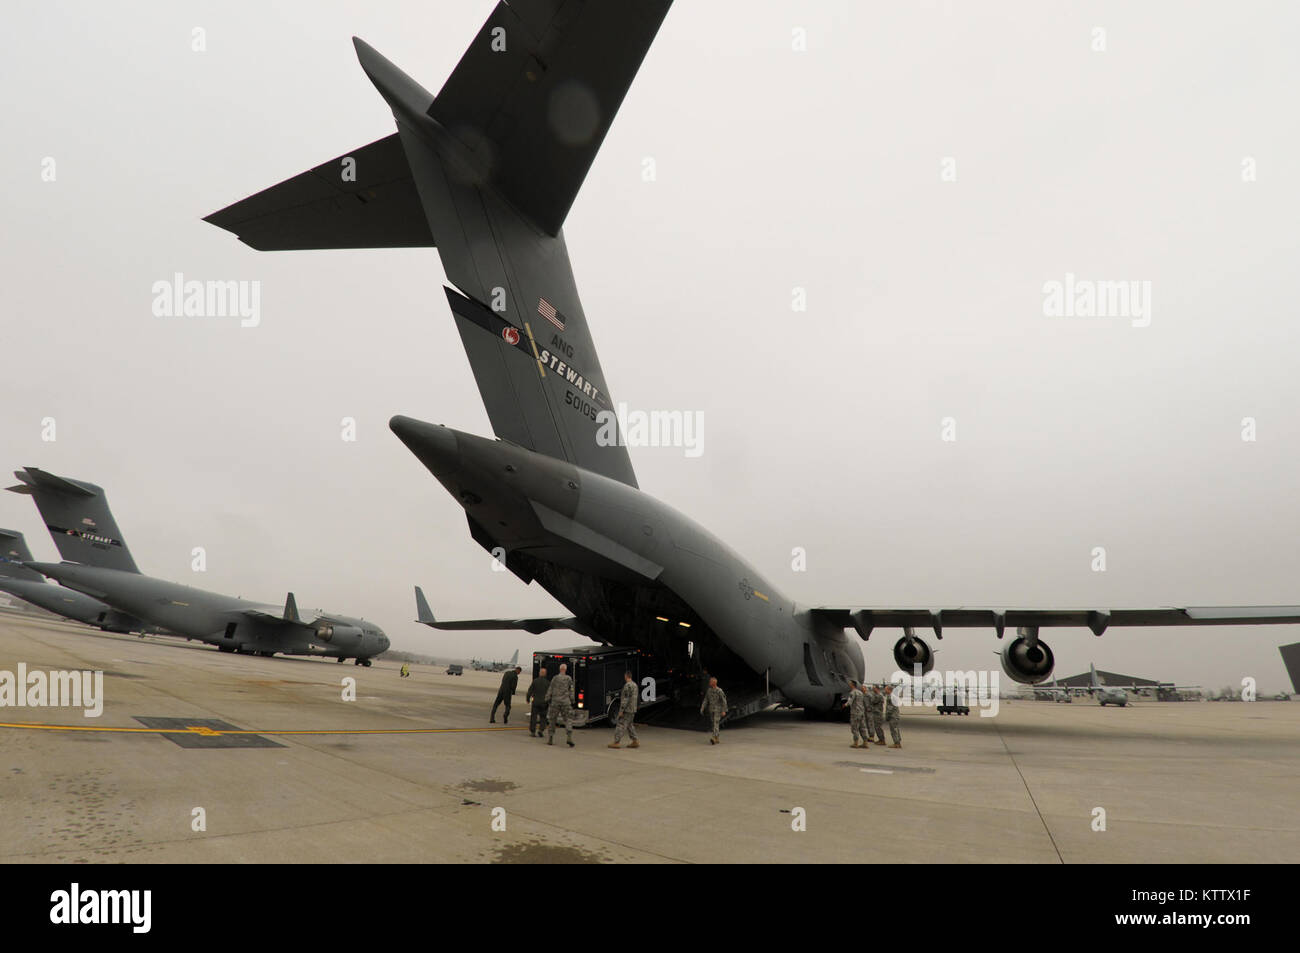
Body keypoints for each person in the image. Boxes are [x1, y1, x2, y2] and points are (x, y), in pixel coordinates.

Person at [546, 663, 576, 747]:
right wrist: (572, 700)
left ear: (559, 669)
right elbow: (571, 691)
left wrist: (547, 698)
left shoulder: (555, 678)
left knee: (552, 720)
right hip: (565, 702)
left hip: (555, 702)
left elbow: (550, 689)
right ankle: (569, 737)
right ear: (565, 670)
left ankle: (550, 738)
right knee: (568, 720)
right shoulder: (568, 679)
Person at [608, 670, 640, 749]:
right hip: (632, 709)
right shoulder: (635, 685)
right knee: (630, 725)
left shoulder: (627, 686)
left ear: (626, 676)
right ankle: (635, 741)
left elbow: (625, 699)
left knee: (620, 724)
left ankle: (616, 742)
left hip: (627, 710)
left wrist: (621, 711)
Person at [700, 676, 728, 744]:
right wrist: (702, 707)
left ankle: (714, 738)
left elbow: (724, 701)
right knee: (713, 724)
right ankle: (717, 738)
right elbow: (706, 700)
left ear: (714, 683)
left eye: (710, 682)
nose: (709, 683)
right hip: (711, 710)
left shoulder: (719, 691)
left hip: (718, 710)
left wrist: (724, 710)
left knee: (716, 723)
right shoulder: (709, 690)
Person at [526, 666, 550, 737]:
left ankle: (533, 731)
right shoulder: (548, 683)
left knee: (534, 717)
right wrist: (550, 702)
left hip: (535, 702)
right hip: (544, 703)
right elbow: (550, 693)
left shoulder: (535, 681)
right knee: (543, 717)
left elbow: (530, 691)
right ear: (545, 674)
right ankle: (541, 730)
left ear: (539, 673)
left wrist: (527, 699)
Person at [847, 680, 869, 749]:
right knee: (862, 728)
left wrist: (845, 704)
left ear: (852, 685)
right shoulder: (860, 692)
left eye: (850, 684)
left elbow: (849, 702)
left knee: (855, 728)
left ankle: (855, 743)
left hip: (855, 713)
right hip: (861, 712)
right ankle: (865, 742)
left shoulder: (852, 693)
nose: (849, 684)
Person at [883, 684, 902, 748]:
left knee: (893, 730)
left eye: (886, 689)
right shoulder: (894, 696)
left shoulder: (890, 696)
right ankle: (898, 742)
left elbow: (889, 708)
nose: (885, 691)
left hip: (893, 716)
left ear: (889, 690)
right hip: (896, 715)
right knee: (896, 729)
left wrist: (887, 717)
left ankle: (896, 743)